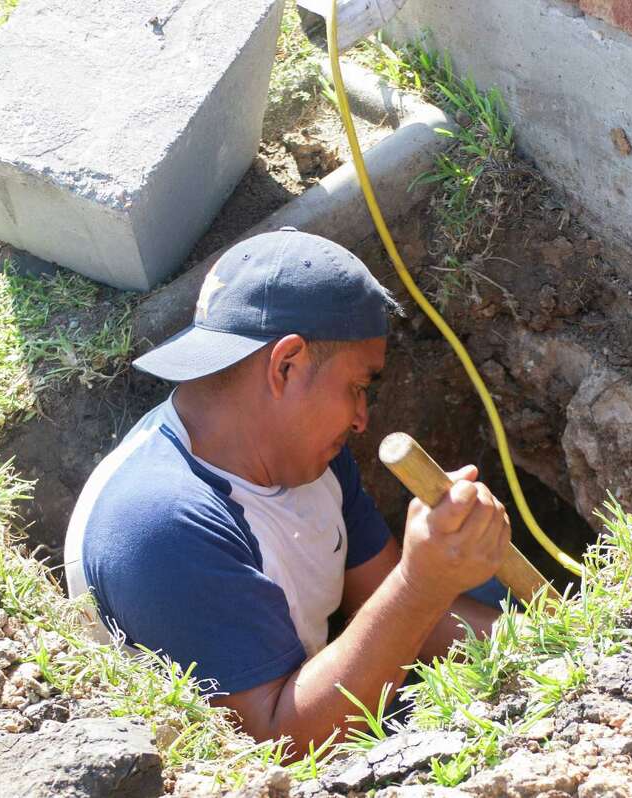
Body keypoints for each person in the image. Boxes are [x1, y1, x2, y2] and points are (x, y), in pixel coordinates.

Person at [64, 228, 512, 753]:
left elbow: (382, 594)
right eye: (357, 387)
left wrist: (541, 645)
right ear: (286, 365)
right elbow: (279, 748)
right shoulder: (162, 526)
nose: (362, 419)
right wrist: (421, 584)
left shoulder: (303, 455)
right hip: (286, 743)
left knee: (478, 582)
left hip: (315, 690)